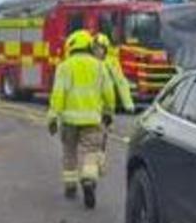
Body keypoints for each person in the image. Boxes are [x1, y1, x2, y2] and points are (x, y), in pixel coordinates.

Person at [47, 30, 116, 209]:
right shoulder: (99, 66)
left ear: (71, 47)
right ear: (88, 46)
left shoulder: (64, 66)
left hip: (69, 121)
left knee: (69, 153)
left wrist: (53, 117)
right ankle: (88, 180)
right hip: (93, 120)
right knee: (90, 153)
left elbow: (58, 94)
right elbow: (108, 92)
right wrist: (109, 112)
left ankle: (70, 186)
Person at [93, 33, 134, 113]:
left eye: (99, 48)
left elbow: (121, 83)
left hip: (105, 104)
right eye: (95, 48)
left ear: (105, 49)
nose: (97, 51)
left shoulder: (111, 63)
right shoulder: (89, 61)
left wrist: (128, 105)